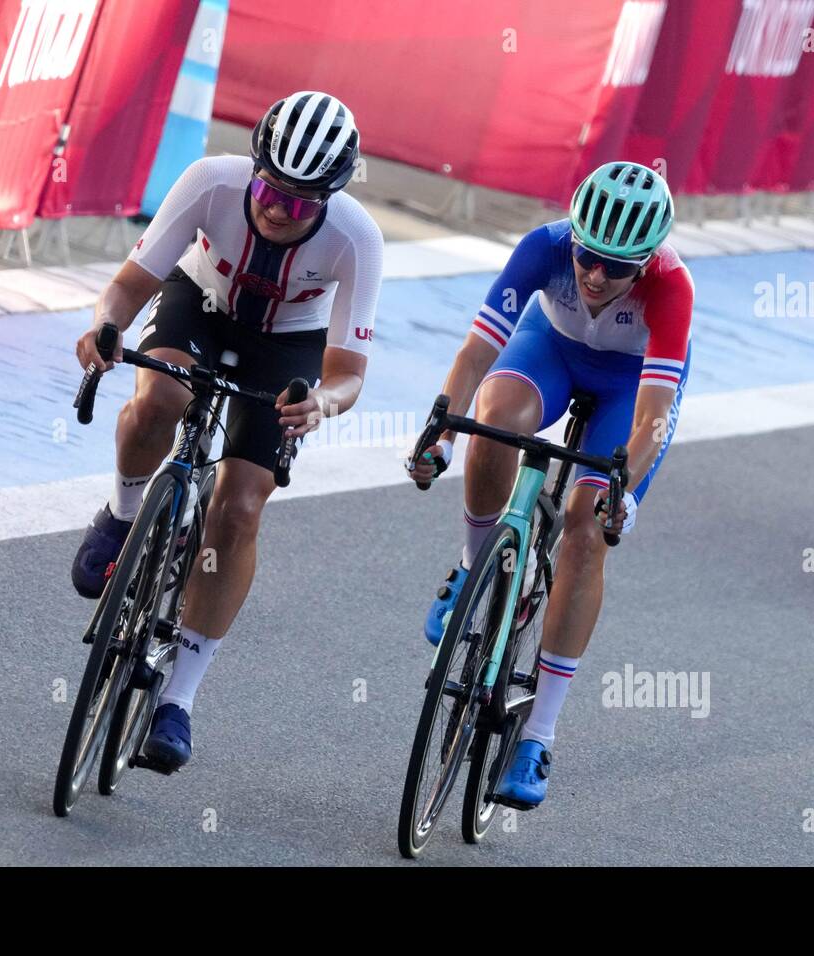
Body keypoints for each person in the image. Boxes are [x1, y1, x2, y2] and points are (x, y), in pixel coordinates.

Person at [72, 91, 382, 771]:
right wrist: (107, 328)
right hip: (199, 308)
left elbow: (349, 374)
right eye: (271, 189)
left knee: (239, 509)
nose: (277, 209)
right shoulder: (212, 181)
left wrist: (322, 405)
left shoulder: (357, 238)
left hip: (288, 351)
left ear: (327, 200)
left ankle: (178, 700)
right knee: (159, 398)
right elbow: (127, 288)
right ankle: (124, 515)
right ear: (254, 169)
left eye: (300, 204)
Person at [408, 162, 692, 809]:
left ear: (644, 263)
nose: (596, 275)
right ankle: (470, 567)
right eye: (588, 256)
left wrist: (622, 489)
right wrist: (441, 433)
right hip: (552, 350)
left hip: (629, 383)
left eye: (616, 268)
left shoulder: (672, 287)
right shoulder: (543, 246)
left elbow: (651, 418)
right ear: (575, 238)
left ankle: (538, 734)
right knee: (492, 422)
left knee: (585, 525)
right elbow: (477, 354)